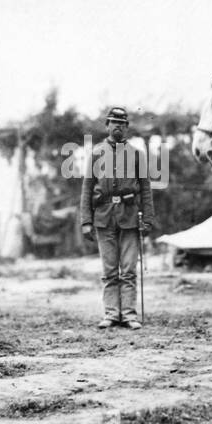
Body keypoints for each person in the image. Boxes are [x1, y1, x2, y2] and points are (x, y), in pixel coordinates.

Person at [80, 107, 155, 329]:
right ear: (107, 126)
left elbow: (146, 188)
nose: (117, 126)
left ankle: (129, 314)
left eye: (121, 123)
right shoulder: (96, 153)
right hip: (103, 217)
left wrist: (148, 219)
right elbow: (87, 189)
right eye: (113, 122)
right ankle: (112, 313)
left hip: (130, 216)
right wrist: (86, 221)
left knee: (129, 269)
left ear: (126, 127)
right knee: (109, 270)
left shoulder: (136, 155)